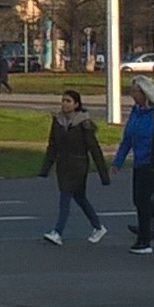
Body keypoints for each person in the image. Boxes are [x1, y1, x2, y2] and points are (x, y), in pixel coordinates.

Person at [39, 89, 110, 245]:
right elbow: (52, 146)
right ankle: (98, 226)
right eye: (63, 100)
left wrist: (103, 174)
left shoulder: (83, 123)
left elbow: (94, 148)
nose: (64, 104)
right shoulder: (57, 121)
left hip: (79, 164)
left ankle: (58, 232)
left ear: (76, 104)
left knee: (65, 195)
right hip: (63, 164)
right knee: (80, 197)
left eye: (68, 101)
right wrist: (45, 168)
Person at [113, 77, 154, 254]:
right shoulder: (136, 112)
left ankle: (145, 239)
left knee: (147, 201)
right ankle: (149, 233)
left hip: (153, 163)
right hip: (139, 162)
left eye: (135, 91)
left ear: (144, 93)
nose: (132, 95)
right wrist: (117, 162)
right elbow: (127, 139)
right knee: (139, 200)